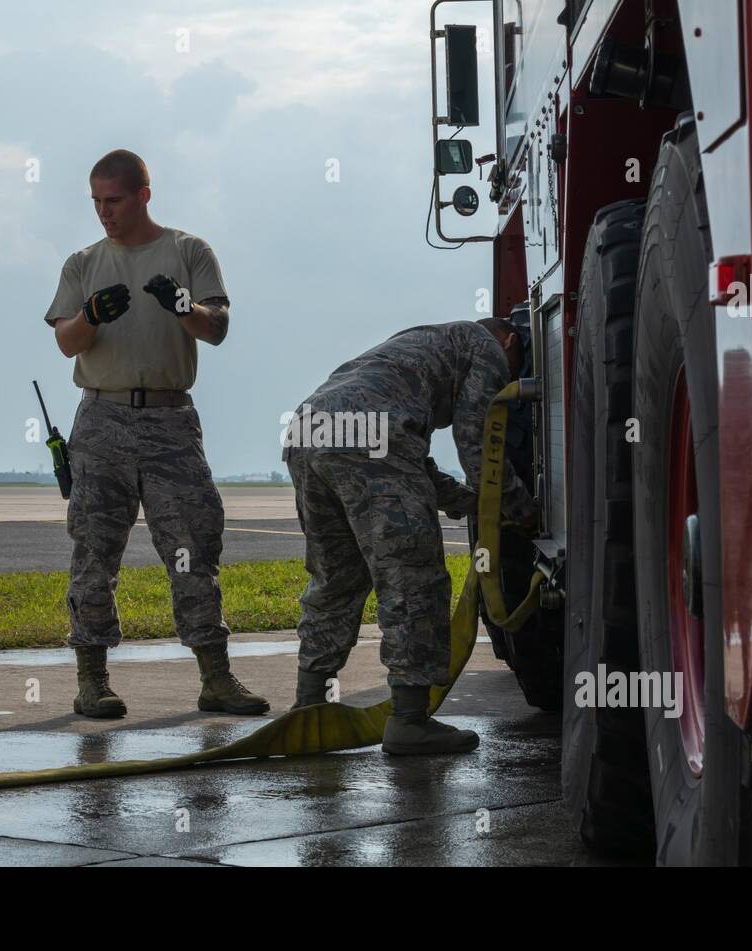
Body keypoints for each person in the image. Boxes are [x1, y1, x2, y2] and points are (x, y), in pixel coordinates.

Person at [44, 149, 268, 719]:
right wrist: (90, 315)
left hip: (170, 418)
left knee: (193, 547)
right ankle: (92, 680)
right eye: (95, 202)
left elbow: (215, 329)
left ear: (144, 194)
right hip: (102, 418)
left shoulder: (188, 252)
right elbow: (67, 342)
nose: (104, 212)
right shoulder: (83, 263)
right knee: (94, 553)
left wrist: (183, 305)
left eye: (113, 200)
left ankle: (216, 678)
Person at [283, 318, 537, 755]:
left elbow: (408, 463)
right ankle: (409, 720)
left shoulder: (418, 345)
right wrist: (522, 511)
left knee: (336, 577)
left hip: (308, 428)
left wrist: (466, 502)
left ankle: (309, 705)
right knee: (412, 579)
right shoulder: (488, 347)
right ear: (510, 340)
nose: (507, 376)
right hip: (371, 433)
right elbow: (477, 445)